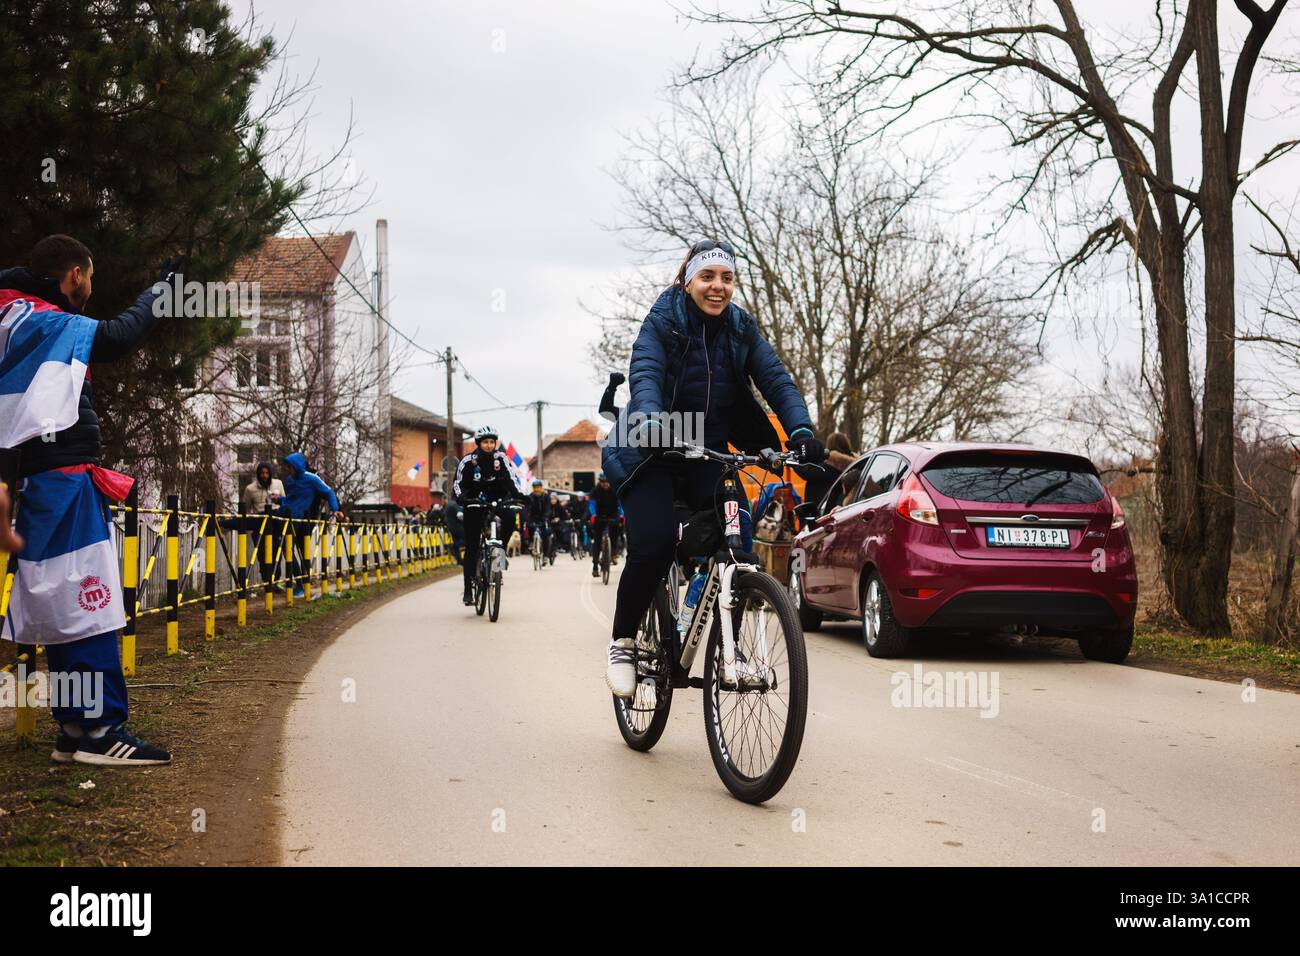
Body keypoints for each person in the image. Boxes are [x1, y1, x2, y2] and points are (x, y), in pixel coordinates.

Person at [600, 238, 825, 698]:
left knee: (737, 540)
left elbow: (776, 380)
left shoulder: (741, 328)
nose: (717, 286)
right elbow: (644, 373)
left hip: (709, 447)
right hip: (649, 447)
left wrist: (799, 430)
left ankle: (730, 647)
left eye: (726, 278)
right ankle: (623, 641)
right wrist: (649, 418)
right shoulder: (663, 321)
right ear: (688, 281)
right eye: (707, 277)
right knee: (656, 542)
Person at [0, 234, 180, 765]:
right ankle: (102, 731)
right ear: (75, 274)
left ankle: (75, 728)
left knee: (61, 600)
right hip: (62, 478)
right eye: (91, 277)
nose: (91, 287)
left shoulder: (10, 316)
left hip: (32, 481)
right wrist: (162, 293)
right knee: (92, 600)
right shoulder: (43, 319)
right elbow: (120, 336)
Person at [452, 425, 523, 604]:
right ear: (479, 443)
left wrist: (519, 496)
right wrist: (462, 498)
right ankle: (468, 589)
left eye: (492, 442)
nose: (490, 445)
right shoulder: (468, 461)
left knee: (509, 519)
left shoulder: (501, 459)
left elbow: (511, 480)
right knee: (472, 547)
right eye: (486, 442)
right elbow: (458, 484)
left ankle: (500, 558)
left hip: (498, 500)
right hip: (474, 503)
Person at [276, 452, 345, 599]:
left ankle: (302, 585)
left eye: (290, 466)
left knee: (302, 551)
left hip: (304, 520)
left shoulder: (312, 479)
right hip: (289, 517)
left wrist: (335, 509)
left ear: (297, 466)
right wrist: (279, 500)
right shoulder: (289, 481)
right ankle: (301, 582)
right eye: (287, 466)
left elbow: (329, 493)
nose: (288, 469)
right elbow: (291, 500)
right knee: (287, 549)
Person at [241, 461, 286, 590]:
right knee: (262, 555)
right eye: (262, 473)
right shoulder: (250, 489)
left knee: (276, 552)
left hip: (276, 524)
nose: (264, 476)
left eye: (267, 473)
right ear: (258, 474)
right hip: (259, 526)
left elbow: (285, 502)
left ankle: (275, 580)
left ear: (270, 474)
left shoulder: (278, 484)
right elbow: (246, 508)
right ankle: (267, 583)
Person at [588, 472, 624, 577]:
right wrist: (593, 514)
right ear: (600, 482)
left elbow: (620, 504)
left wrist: (621, 515)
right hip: (599, 516)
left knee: (615, 533)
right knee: (597, 540)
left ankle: (613, 553)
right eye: (603, 482)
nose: (605, 484)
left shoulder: (615, 489)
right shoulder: (595, 491)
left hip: (612, 515)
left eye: (607, 482)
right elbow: (592, 505)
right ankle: (595, 565)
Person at [523, 479, 552, 560]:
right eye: (535, 488)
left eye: (538, 487)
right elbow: (527, 509)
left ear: (541, 488)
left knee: (545, 535)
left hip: (543, 518)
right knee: (529, 530)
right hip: (533, 518)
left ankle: (546, 555)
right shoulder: (530, 497)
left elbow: (548, 508)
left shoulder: (546, 497)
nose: (537, 489)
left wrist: (546, 516)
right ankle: (531, 544)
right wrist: (527, 518)